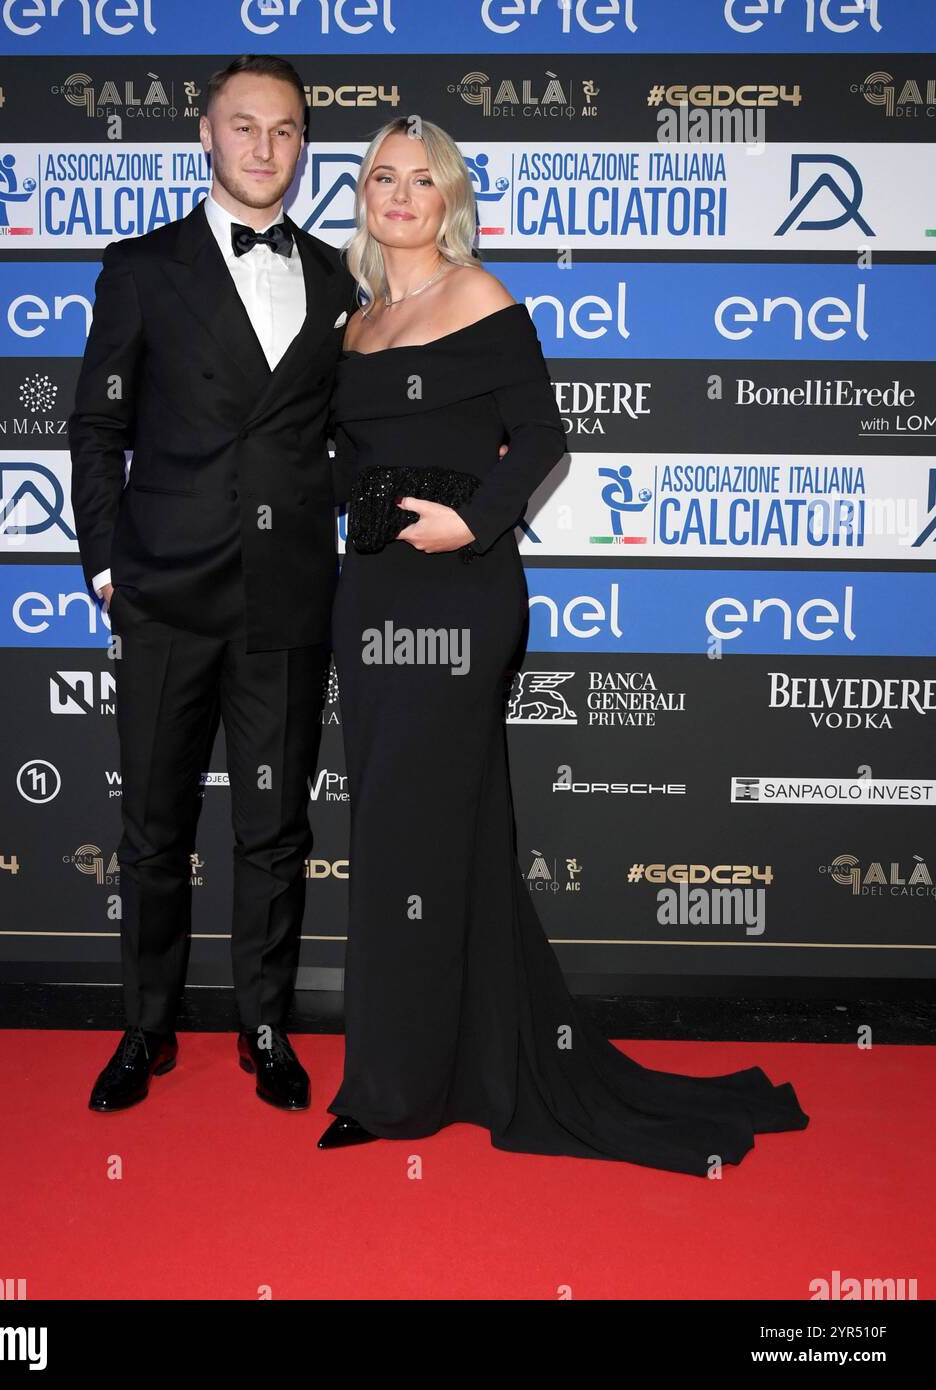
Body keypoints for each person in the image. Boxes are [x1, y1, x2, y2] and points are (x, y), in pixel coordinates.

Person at [319, 117, 810, 1176]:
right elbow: (341, 457)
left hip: (459, 591)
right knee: (415, 832)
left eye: (420, 180)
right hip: (374, 592)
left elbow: (541, 434)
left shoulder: (479, 296)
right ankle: (455, 1064)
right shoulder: (353, 327)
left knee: (414, 827)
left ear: (448, 199)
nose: (398, 194)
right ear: (361, 194)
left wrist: (471, 522)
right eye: (381, 177)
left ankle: (395, 1089)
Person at [69, 56, 356, 1113]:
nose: (264, 147)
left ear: (302, 144)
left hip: (286, 600)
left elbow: (352, 433)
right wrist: (109, 566)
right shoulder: (143, 267)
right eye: (244, 126)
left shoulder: (336, 278)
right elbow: (97, 424)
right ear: (205, 133)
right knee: (153, 829)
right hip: (165, 593)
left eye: (284, 130)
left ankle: (265, 1026)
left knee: (274, 831)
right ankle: (145, 1030)